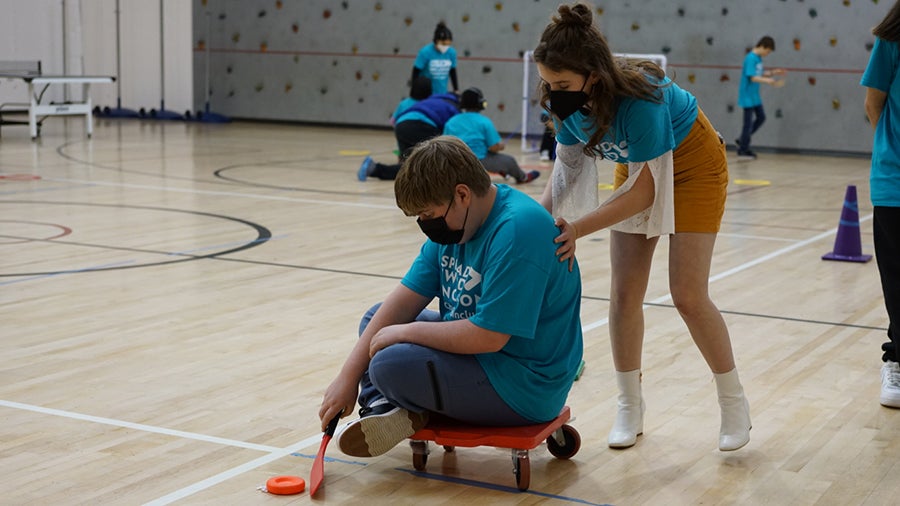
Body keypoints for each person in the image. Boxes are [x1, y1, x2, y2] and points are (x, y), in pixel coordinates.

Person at [532, 2, 751, 452]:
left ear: (592, 75)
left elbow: (644, 193)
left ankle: (733, 402)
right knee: (624, 293)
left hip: (692, 165)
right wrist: (536, 222)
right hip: (638, 166)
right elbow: (567, 172)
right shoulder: (564, 104)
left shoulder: (641, 94)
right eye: (548, 84)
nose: (553, 94)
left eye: (562, 85)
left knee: (687, 295)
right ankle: (629, 406)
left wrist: (577, 228)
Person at [320, 136, 584, 458]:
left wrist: (404, 333)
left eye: (428, 214)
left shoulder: (518, 230)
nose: (425, 225)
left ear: (461, 194)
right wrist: (346, 379)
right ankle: (386, 406)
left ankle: (400, 403)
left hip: (523, 385)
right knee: (375, 319)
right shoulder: (459, 224)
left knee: (388, 360)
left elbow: (489, 336)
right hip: (485, 359)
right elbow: (402, 302)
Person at [861, 0, 900, 409]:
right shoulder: (892, 40)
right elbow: (874, 104)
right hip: (895, 181)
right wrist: (890, 150)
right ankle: (898, 359)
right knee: (897, 279)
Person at [443, 87, 540, 184]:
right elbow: (494, 147)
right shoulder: (484, 121)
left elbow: (444, 145)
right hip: (479, 161)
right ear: (481, 103)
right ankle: (523, 177)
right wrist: (501, 146)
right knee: (509, 161)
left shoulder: (451, 122)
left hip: (456, 162)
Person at [358, 90, 459, 181]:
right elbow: (449, 134)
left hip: (401, 124)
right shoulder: (453, 107)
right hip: (421, 125)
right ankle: (375, 169)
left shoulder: (434, 99)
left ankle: (373, 168)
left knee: (410, 167)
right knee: (422, 167)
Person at [736, 36, 786, 160]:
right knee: (747, 123)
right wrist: (769, 81)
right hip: (747, 95)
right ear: (763, 46)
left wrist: (773, 72)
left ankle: (743, 139)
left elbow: (759, 73)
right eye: (768, 51)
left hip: (754, 95)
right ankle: (743, 149)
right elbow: (752, 77)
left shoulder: (758, 59)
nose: (767, 54)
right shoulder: (750, 58)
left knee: (761, 117)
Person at [412, 22, 458, 96]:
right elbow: (416, 72)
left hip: (442, 93)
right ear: (436, 41)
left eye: (448, 44)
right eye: (443, 44)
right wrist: (414, 90)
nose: (445, 47)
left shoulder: (451, 52)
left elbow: (452, 71)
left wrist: (456, 89)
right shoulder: (425, 52)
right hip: (425, 94)